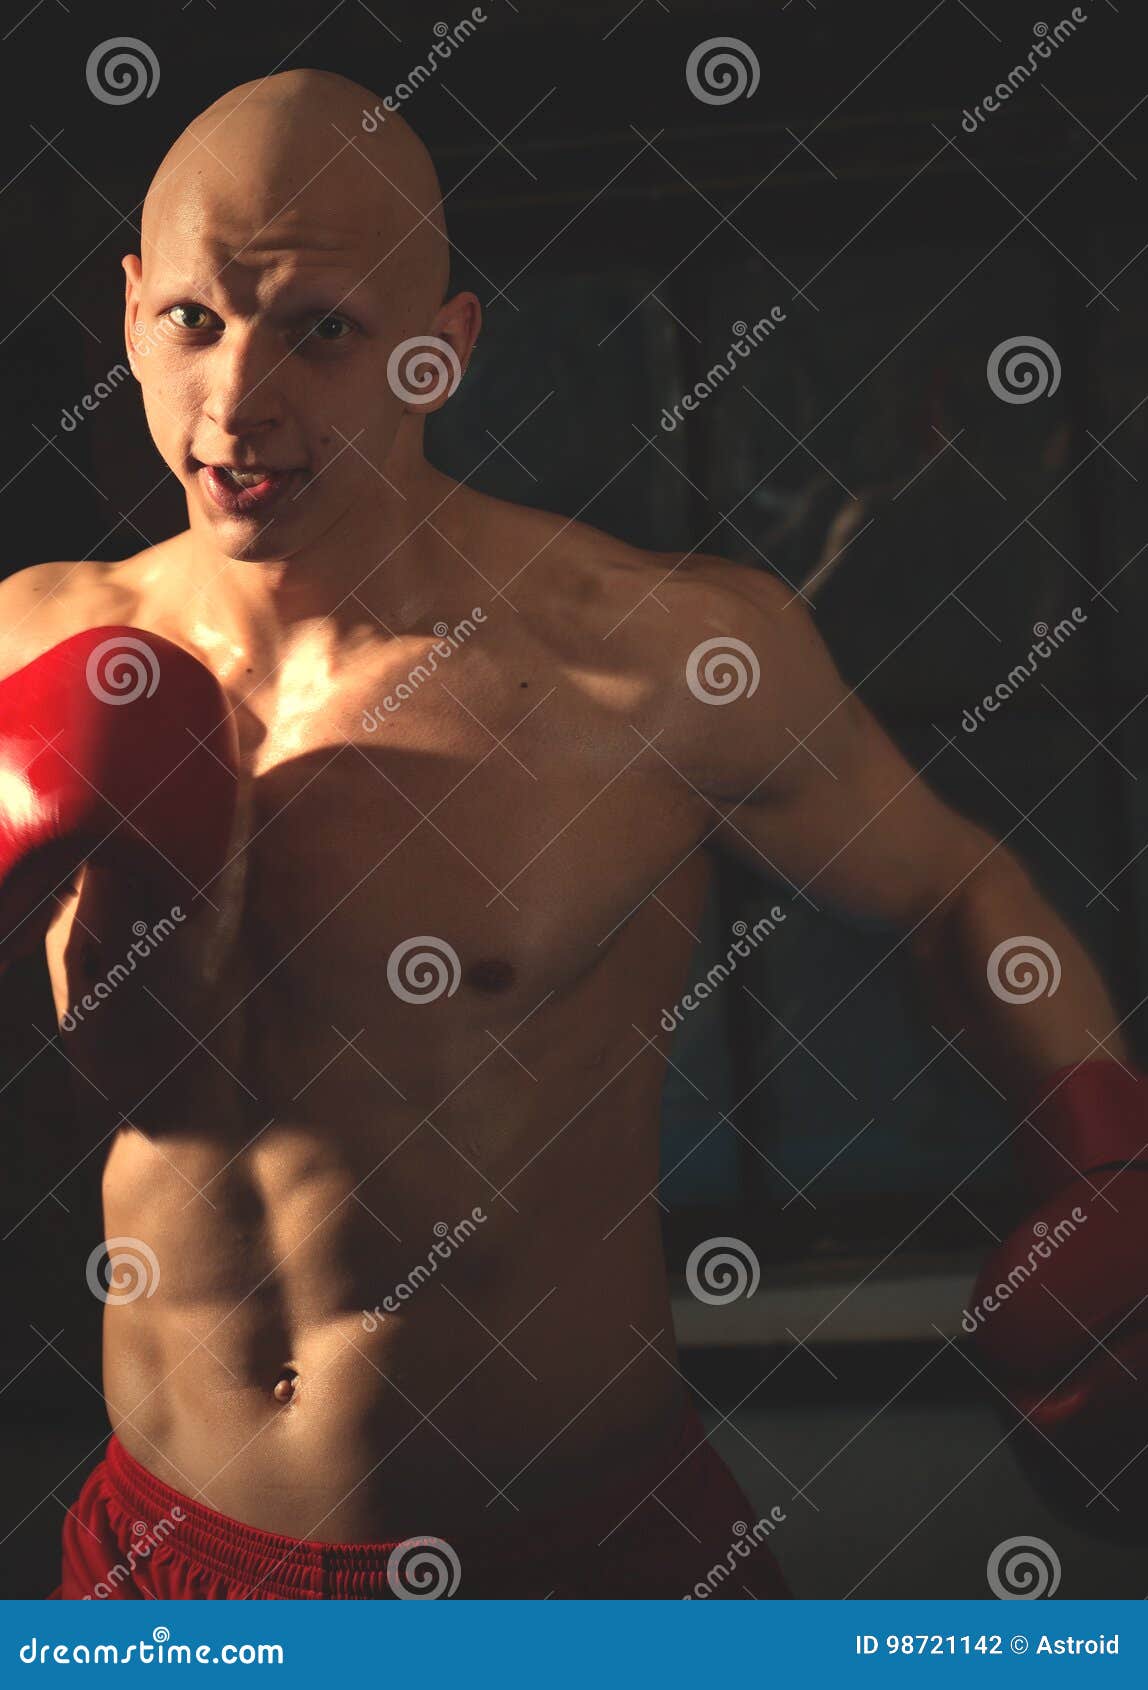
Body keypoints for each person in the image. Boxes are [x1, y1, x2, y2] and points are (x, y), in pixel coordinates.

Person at [1, 69, 1144, 1600]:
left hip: (577, 1557)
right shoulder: (31, 643)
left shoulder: (656, 659)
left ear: (439, 351)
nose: (236, 400)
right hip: (163, 1551)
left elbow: (950, 885)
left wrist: (1102, 1143)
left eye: (321, 327)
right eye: (195, 319)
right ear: (130, 309)